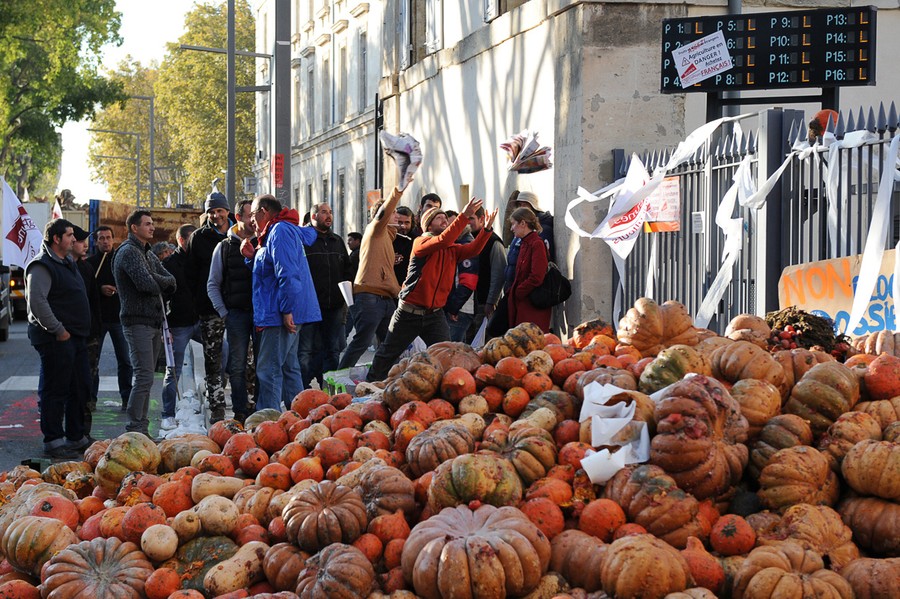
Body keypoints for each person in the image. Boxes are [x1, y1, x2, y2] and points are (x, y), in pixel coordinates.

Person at [366, 198, 498, 382]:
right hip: (409, 312)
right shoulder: (421, 242)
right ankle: (368, 385)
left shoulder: (451, 248)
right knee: (388, 353)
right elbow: (444, 239)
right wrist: (465, 215)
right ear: (428, 225)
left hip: (434, 314)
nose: (445, 220)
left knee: (447, 354)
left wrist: (487, 230)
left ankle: (449, 387)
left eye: (445, 217)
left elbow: (473, 249)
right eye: (439, 218)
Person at [243, 194, 319, 410]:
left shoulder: (279, 231)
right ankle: (298, 417)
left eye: (252, 215)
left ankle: (268, 419)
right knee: (288, 367)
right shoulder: (279, 231)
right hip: (283, 311)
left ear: (263, 212)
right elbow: (271, 270)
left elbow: (287, 275)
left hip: (279, 314)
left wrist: (286, 310)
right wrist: (252, 257)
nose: (251, 221)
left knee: (269, 371)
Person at [26, 219, 93, 459]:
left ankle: (76, 436)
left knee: (80, 386)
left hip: (75, 337)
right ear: (56, 239)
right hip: (57, 339)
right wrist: (58, 330)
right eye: (69, 235)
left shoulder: (67, 263)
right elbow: (37, 302)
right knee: (56, 389)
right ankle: (53, 441)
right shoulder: (42, 266)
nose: (74, 239)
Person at [113, 210, 176, 437]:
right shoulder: (129, 252)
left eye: (152, 223)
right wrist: (157, 280)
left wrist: (155, 278)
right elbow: (145, 285)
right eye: (147, 224)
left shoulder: (147, 252)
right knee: (144, 376)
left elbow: (171, 280)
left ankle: (142, 426)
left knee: (147, 378)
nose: (152, 227)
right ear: (134, 228)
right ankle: (135, 426)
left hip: (153, 321)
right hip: (137, 322)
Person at [339, 188, 405, 369]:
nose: (397, 216)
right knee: (362, 341)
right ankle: (338, 377)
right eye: (393, 213)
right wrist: (398, 192)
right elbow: (384, 212)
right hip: (370, 296)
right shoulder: (375, 229)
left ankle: (386, 378)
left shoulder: (387, 238)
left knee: (390, 343)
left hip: (385, 297)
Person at [208, 199, 256, 423]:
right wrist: (224, 312)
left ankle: (260, 407)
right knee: (236, 365)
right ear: (238, 217)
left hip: (262, 314)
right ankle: (240, 410)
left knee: (263, 364)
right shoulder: (225, 247)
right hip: (236, 314)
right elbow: (213, 283)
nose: (254, 220)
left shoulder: (264, 242)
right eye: (250, 215)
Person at [186, 192, 232, 422]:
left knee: (244, 360)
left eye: (219, 211)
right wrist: (197, 304)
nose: (216, 215)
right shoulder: (199, 238)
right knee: (213, 360)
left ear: (227, 211)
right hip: (209, 309)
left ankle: (246, 404)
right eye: (211, 212)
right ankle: (217, 406)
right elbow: (191, 275)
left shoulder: (239, 234)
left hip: (237, 307)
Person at [300, 203, 352, 389]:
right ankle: (302, 391)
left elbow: (347, 270)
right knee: (306, 351)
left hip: (334, 306)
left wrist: (345, 296)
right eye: (324, 212)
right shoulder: (303, 240)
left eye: (330, 212)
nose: (329, 216)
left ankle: (329, 390)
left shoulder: (337, 241)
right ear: (313, 216)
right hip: (309, 306)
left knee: (332, 350)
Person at [86, 226, 133, 411]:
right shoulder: (90, 264)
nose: (105, 241)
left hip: (119, 318)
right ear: (96, 241)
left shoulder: (120, 259)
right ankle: (91, 399)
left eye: (108, 238)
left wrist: (117, 289)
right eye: (101, 238)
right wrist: (100, 289)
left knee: (125, 361)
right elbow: (86, 289)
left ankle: (127, 398)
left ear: (113, 239)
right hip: (98, 319)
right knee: (93, 361)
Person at [160, 224, 200, 430]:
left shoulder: (198, 260)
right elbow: (161, 298)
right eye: (192, 239)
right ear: (182, 240)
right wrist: (164, 328)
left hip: (199, 320)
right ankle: (167, 413)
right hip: (178, 324)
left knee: (223, 351)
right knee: (173, 370)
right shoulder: (169, 264)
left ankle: (214, 394)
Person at [71, 225, 101, 437]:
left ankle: (83, 432)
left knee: (85, 384)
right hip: (68, 335)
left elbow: (93, 302)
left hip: (89, 335)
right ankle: (68, 432)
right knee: (67, 385)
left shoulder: (86, 268)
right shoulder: (62, 268)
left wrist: (96, 330)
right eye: (80, 241)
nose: (85, 245)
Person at [507, 207, 551, 332]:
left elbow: (537, 276)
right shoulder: (525, 243)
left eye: (513, 224)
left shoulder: (536, 243)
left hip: (531, 305)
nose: (512, 228)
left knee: (529, 339)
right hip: (522, 304)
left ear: (523, 223)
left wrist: (519, 291)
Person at [467, 206, 506, 342]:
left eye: (471, 218)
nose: (467, 222)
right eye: (465, 218)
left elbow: (498, 275)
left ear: (482, 219)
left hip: (483, 304)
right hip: (466, 305)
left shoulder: (493, 242)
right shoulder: (465, 240)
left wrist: (491, 301)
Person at [444, 216, 477, 342]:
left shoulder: (465, 245)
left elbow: (468, 282)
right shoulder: (457, 242)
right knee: (458, 348)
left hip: (461, 309)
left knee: (451, 349)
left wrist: (454, 308)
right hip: (458, 307)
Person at [392, 206, 415, 288]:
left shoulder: (416, 240)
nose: (403, 226)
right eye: (400, 222)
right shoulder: (387, 239)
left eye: (407, 223)